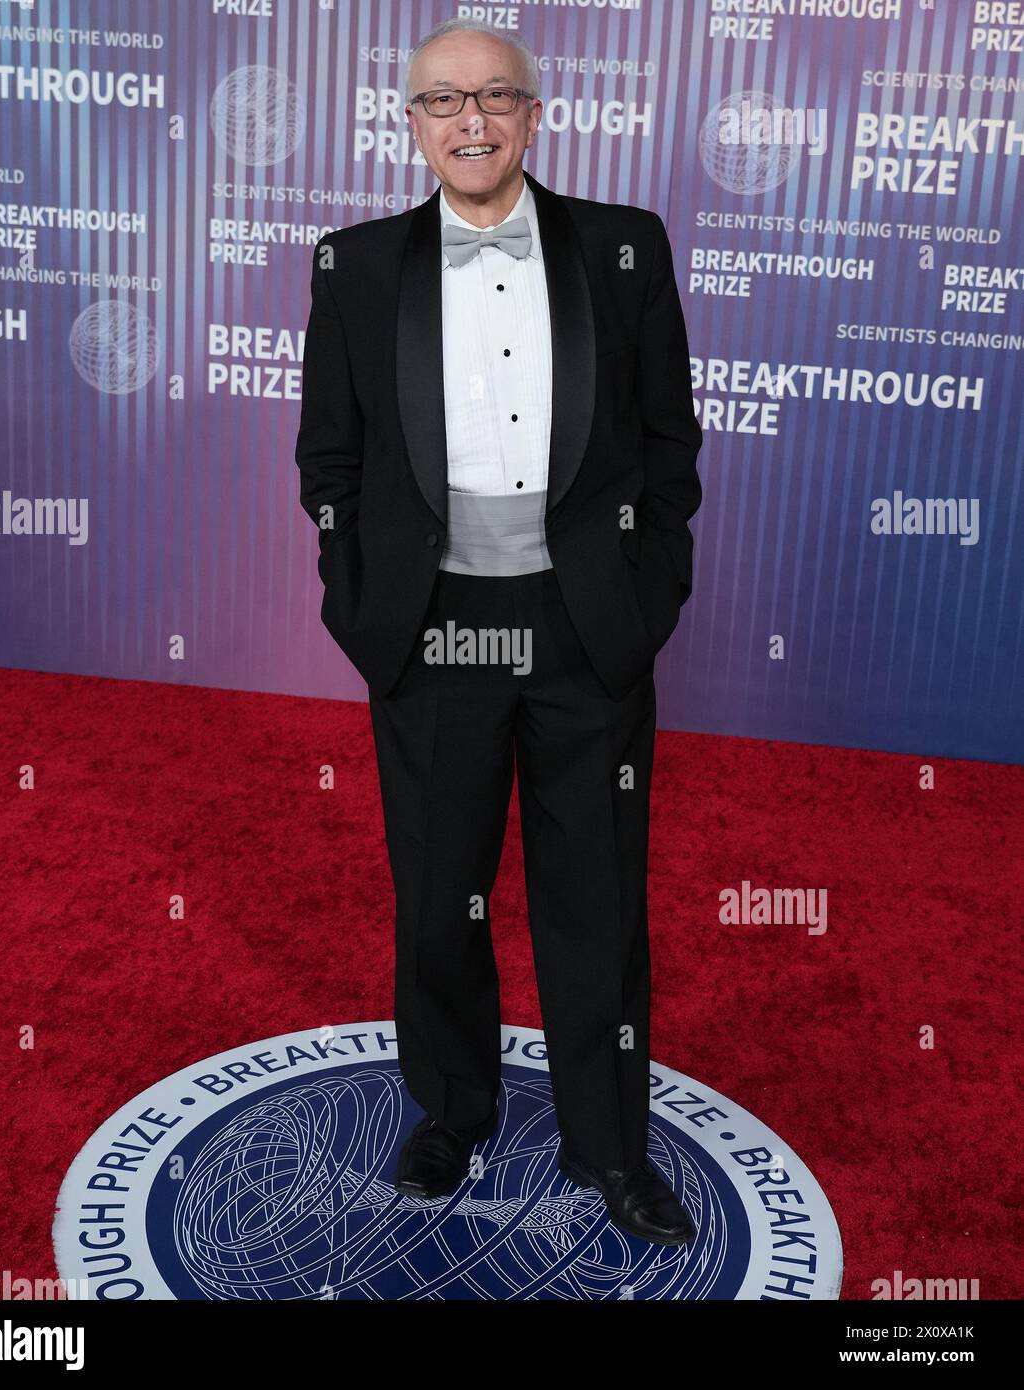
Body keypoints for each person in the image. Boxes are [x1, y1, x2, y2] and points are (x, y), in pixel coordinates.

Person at [295, 17, 703, 1247]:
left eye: (492, 98)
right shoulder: (353, 264)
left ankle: (608, 1148)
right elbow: (331, 456)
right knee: (439, 894)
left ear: (535, 114)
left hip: (581, 629)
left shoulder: (623, 249)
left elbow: (669, 447)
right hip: (433, 631)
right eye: (441, 102)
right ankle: (450, 1111)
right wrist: (363, 609)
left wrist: (646, 601)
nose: (468, 121)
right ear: (410, 123)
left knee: (594, 897)